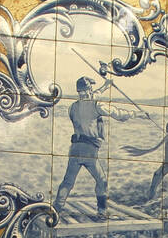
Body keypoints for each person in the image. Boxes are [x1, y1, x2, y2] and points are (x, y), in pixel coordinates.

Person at [54, 75, 132, 222]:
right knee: (102, 181)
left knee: (68, 182)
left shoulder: (73, 107)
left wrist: (106, 86)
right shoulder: (97, 106)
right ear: (88, 89)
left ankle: (56, 209)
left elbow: (91, 98)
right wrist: (132, 114)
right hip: (89, 151)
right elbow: (118, 114)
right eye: (90, 89)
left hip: (75, 149)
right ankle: (102, 212)